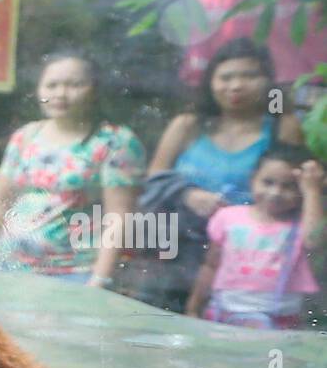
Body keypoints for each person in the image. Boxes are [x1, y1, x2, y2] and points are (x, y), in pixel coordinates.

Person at [123, 38, 306, 313]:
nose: (235, 86)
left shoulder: (283, 127)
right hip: (179, 251)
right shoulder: (187, 125)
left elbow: (296, 191)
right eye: (226, 77)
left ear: (268, 81)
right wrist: (188, 194)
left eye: (249, 76)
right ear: (210, 82)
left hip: (247, 257)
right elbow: (153, 179)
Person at [0, 50, 146, 286]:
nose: (60, 93)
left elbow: (118, 216)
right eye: (51, 85)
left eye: (74, 85)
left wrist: (99, 279)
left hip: (76, 273)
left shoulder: (115, 141)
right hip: (11, 267)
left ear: (94, 91)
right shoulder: (25, 137)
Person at [185, 147, 324, 329]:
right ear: (252, 179)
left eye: (288, 186)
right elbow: (211, 265)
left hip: (280, 321)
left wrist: (312, 191)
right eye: (268, 182)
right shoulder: (228, 217)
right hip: (224, 313)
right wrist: (193, 307)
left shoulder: (301, 226)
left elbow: (314, 241)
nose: (275, 192)